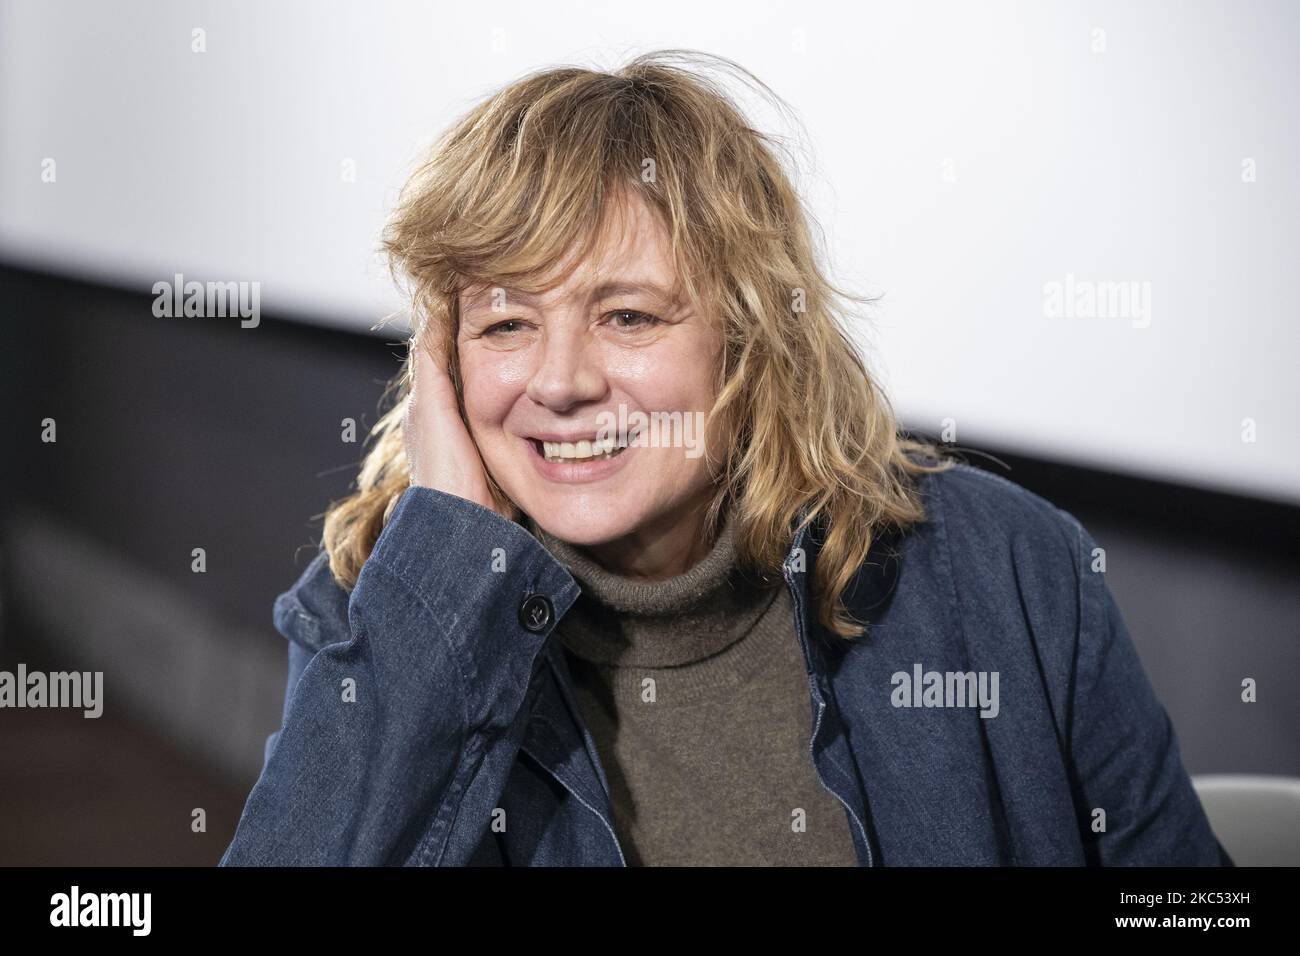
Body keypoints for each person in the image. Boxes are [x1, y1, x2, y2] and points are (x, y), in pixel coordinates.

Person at [219, 50, 1231, 866]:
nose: (561, 380)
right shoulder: (379, 612)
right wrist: (445, 568)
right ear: (440, 359)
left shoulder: (1007, 568)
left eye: (626, 314)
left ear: (749, 341)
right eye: (504, 325)